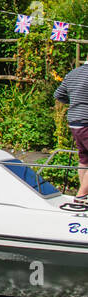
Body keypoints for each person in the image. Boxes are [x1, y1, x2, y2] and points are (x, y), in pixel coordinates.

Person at [55, 63, 88, 202]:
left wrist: (75, 102)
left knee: (84, 158)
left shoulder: (73, 73)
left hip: (75, 122)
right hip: (87, 120)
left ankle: (84, 195)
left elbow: (58, 95)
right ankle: (81, 196)